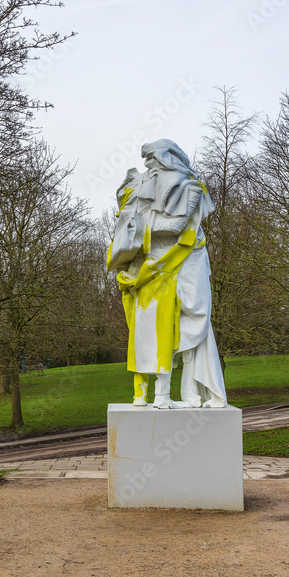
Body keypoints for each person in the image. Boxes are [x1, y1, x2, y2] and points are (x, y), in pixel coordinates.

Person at [106, 139, 227, 409]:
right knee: (160, 330)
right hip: (158, 267)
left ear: (168, 159)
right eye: (147, 161)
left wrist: (140, 221)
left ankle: (197, 391)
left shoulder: (190, 188)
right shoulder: (144, 186)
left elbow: (179, 225)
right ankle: (174, 394)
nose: (149, 166)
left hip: (187, 261)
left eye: (154, 160)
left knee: (197, 320)